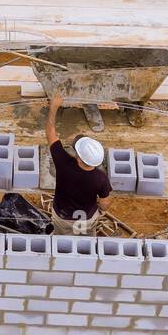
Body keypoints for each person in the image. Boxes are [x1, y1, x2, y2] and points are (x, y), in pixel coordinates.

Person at [44, 93, 111, 234]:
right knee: (85, 243)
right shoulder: (101, 178)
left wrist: (53, 107)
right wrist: (100, 210)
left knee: (62, 243)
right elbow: (105, 203)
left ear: (80, 159)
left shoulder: (63, 163)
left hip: (62, 217)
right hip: (86, 219)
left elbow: (50, 132)